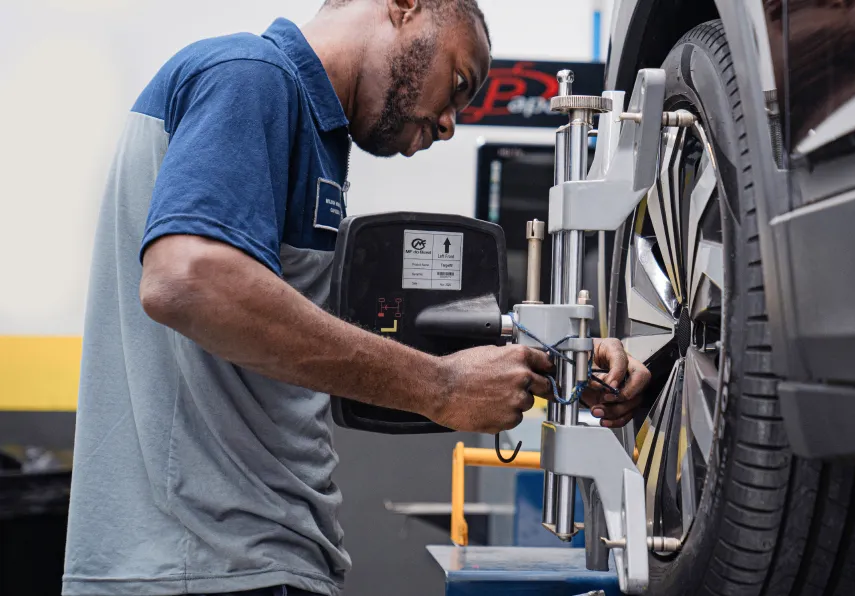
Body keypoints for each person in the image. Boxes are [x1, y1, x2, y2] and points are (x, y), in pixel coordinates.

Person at [62, 1, 651, 595]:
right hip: (205, 563)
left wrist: (557, 357)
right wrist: (439, 387)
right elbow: (189, 281)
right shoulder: (250, 74)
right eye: (458, 83)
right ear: (404, 8)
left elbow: (316, 335)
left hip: (250, 553)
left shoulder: (310, 132)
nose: (450, 124)